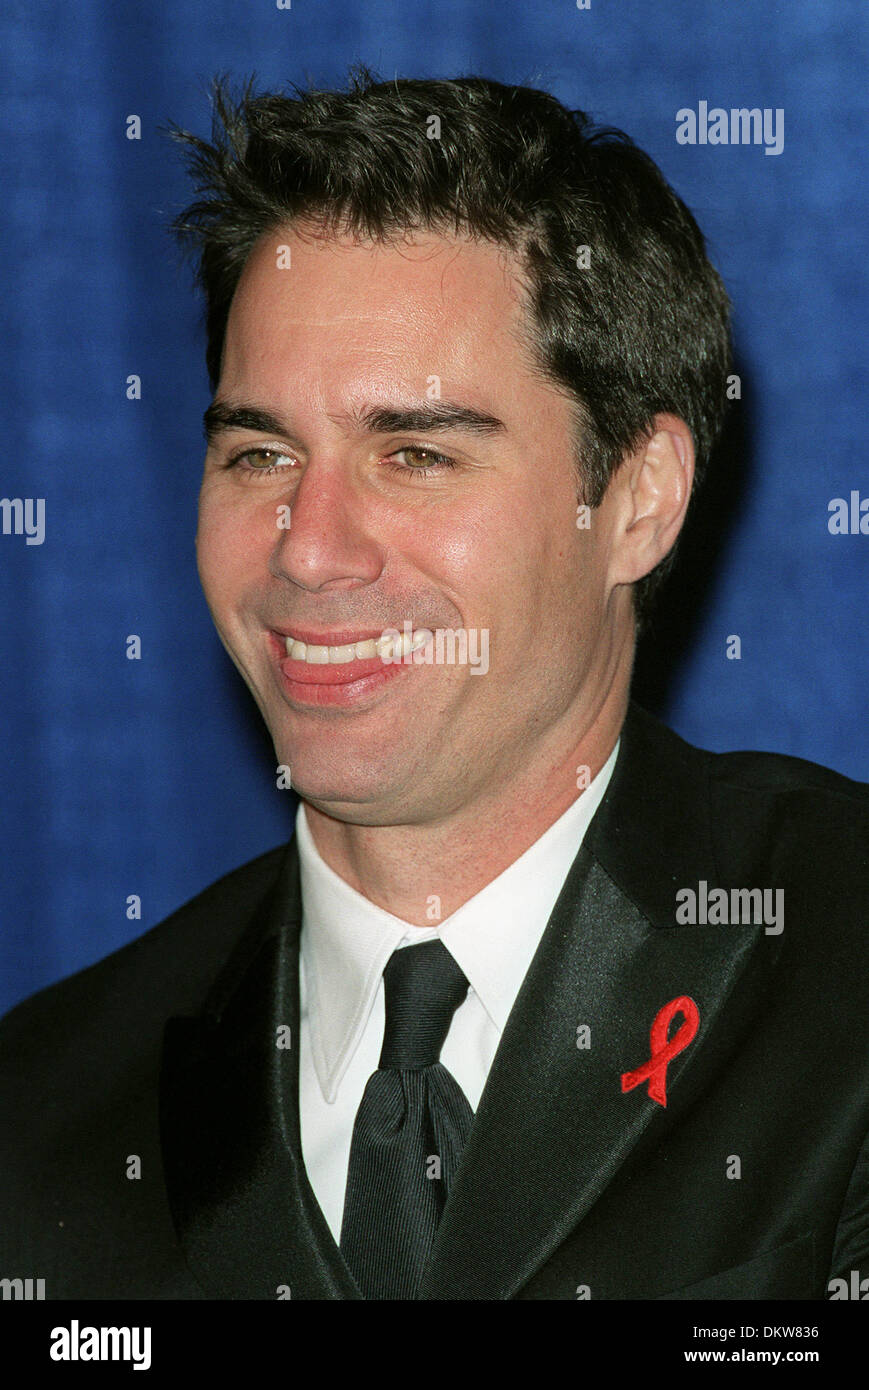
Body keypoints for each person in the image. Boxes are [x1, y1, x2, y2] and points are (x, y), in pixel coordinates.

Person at [1, 70, 866, 1302]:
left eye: (413, 453)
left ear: (635, 500)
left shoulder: (836, 960)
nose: (307, 546)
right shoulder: (41, 1115)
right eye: (260, 452)